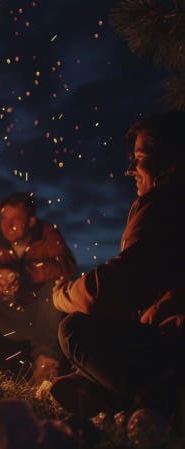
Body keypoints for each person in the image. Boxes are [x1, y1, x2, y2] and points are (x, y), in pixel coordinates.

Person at [51, 111, 185, 418]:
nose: (131, 170)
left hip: (177, 348)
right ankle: (110, 392)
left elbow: (113, 287)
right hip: (172, 335)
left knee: (74, 330)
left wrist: (63, 294)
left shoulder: (167, 205)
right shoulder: (169, 204)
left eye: (141, 157)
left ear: (171, 160)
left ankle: (159, 405)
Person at [0, 192, 77, 383]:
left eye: (16, 219)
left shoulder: (46, 234)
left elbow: (67, 266)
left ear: (30, 222)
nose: (7, 225)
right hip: (5, 317)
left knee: (55, 287)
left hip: (38, 316)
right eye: (4, 218)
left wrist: (28, 275)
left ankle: (46, 366)